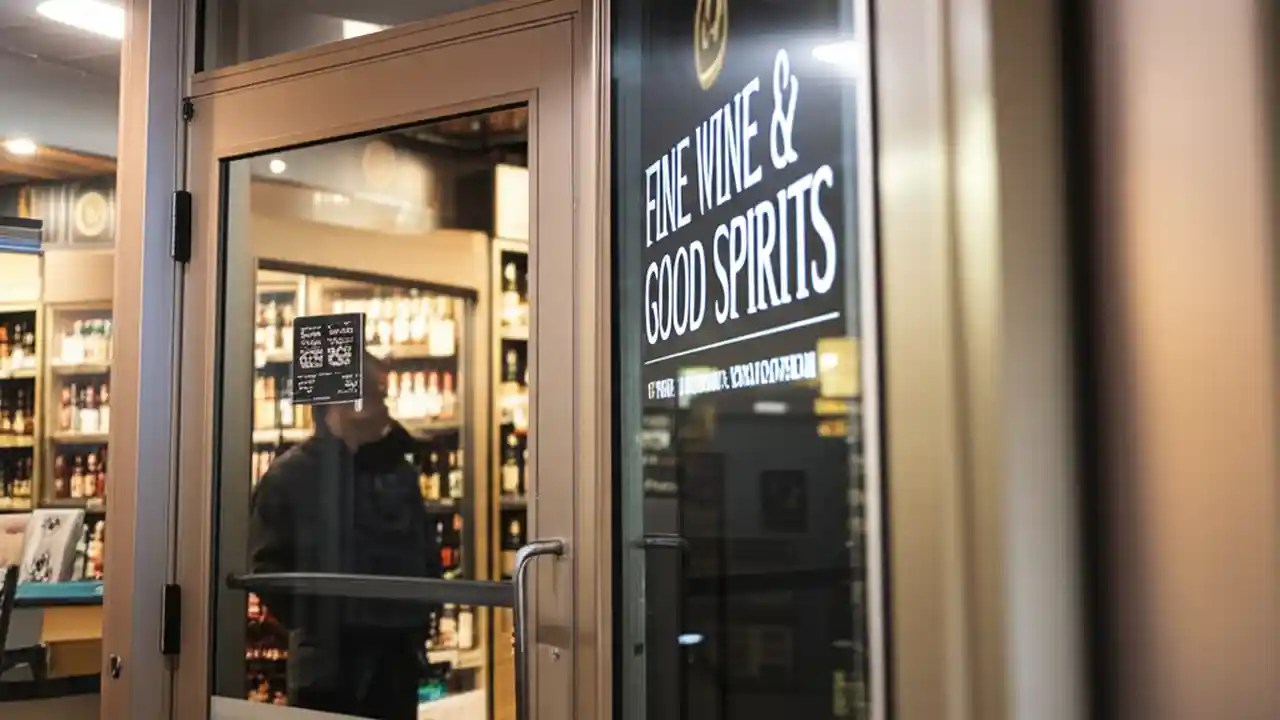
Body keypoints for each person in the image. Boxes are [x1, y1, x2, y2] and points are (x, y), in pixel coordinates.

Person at [249, 354, 439, 719]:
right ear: (342, 403)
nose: (384, 405)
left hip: (391, 664)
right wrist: (324, 625)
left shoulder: (396, 470)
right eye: (374, 394)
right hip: (329, 671)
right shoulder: (290, 476)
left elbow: (425, 555)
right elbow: (267, 570)